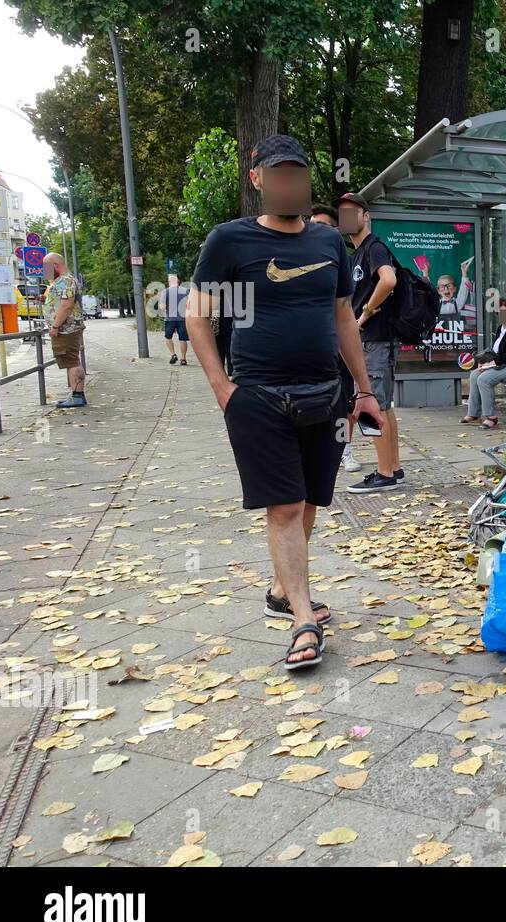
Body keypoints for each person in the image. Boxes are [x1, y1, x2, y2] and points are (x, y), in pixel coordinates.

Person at [185, 134, 385, 670]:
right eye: (278, 174)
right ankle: (301, 617)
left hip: (327, 395)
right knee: (286, 506)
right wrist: (223, 390)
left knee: (312, 499)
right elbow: (197, 317)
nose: (289, 183)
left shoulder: (328, 245)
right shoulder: (230, 241)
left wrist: (364, 391)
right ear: (258, 180)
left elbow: (344, 317)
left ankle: (280, 588)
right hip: (259, 397)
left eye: (297, 174)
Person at [335, 192, 403, 493]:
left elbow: (388, 280)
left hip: (376, 338)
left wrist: (364, 314)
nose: (347, 216)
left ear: (366, 215)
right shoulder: (355, 254)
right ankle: (394, 467)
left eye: (353, 211)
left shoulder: (374, 247)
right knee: (383, 405)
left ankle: (384, 474)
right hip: (373, 340)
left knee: (372, 403)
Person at [310, 202, 361, 473]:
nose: (316, 231)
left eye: (324, 227)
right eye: (313, 224)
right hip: (305, 351)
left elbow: (346, 311)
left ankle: (344, 449)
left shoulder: (343, 263)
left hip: (337, 346)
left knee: (345, 402)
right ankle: (317, 449)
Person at [463, 298, 506, 430]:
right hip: (499, 363)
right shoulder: (501, 328)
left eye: (505, 312)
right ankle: (473, 414)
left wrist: (492, 364)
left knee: (484, 379)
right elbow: (494, 351)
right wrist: (484, 362)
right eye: (499, 313)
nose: (501, 316)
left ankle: (491, 417)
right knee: (474, 375)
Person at [43, 252, 86, 408]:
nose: (44, 271)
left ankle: (77, 396)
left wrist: (55, 326)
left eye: (46, 267)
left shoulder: (64, 281)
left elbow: (66, 305)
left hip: (66, 328)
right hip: (69, 327)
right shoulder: (65, 280)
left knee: (72, 361)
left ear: (55, 265)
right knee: (71, 360)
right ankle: (76, 395)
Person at [160, 274, 191, 365]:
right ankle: (183, 359)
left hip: (170, 319)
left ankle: (173, 354)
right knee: (183, 339)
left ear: (169, 282)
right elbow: (190, 304)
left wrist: (165, 306)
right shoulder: (186, 291)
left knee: (168, 337)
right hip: (183, 319)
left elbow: (162, 307)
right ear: (178, 282)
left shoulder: (165, 292)